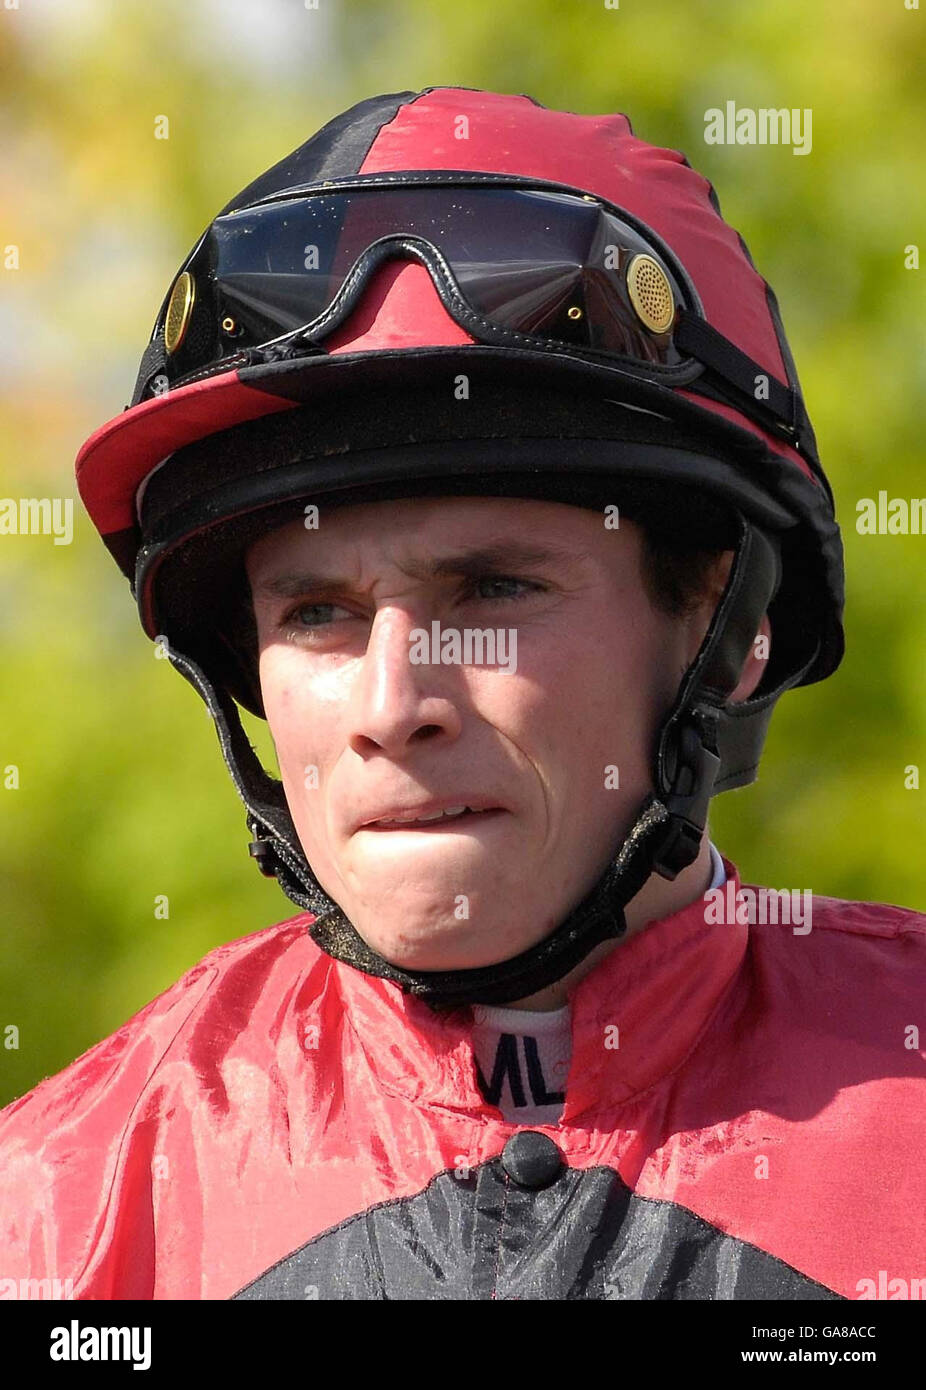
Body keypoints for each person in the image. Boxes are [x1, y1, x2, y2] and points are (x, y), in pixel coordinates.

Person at [1, 85, 923, 1302]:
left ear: (723, 628)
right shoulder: (58, 1206)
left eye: (491, 589)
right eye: (315, 612)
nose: (391, 704)